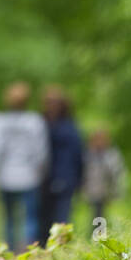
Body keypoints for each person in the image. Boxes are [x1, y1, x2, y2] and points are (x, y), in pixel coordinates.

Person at [0, 82, 48, 253]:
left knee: (9, 218)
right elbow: (41, 152)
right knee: (30, 218)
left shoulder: (0, 122)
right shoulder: (35, 121)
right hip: (29, 177)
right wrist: (41, 173)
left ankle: (10, 251)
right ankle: (28, 250)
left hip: (6, 177)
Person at [37, 85, 84, 240]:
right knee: (43, 216)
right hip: (42, 177)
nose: (51, 105)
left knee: (62, 217)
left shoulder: (70, 126)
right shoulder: (40, 122)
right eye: (48, 101)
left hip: (65, 177)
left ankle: (61, 248)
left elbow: (78, 154)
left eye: (55, 101)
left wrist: (79, 179)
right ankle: (42, 249)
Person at [83, 127, 126, 225]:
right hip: (92, 191)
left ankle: (101, 235)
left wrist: (116, 192)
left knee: (104, 216)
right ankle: (96, 236)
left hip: (107, 191)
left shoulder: (112, 155)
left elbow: (117, 174)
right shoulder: (88, 155)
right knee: (96, 216)